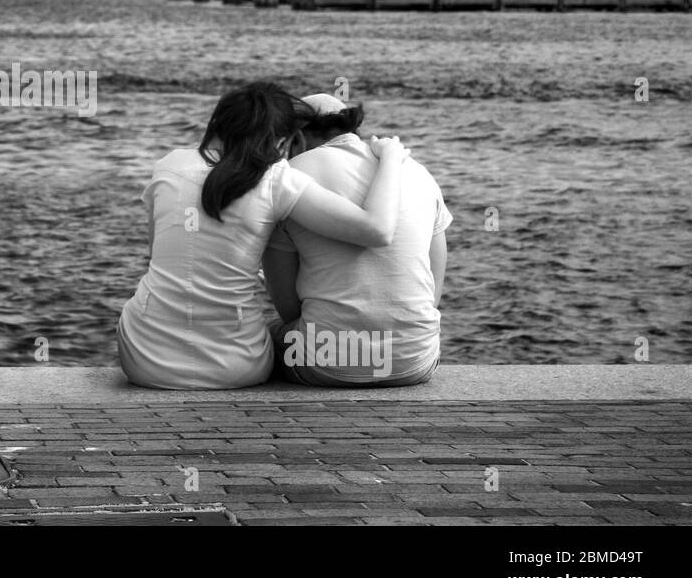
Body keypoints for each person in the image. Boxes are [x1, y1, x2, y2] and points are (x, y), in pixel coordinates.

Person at [117, 81, 411, 390]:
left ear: (217, 123)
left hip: (143, 359)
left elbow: (161, 254)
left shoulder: (168, 166)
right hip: (236, 366)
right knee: (283, 331)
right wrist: (390, 158)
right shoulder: (277, 180)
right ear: (283, 142)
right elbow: (377, 229)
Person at [263, 94, 450, 387]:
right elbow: (433, 293)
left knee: (265, 335)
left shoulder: (288, 179)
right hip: (416, 361)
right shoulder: (419, 173)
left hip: (327, 364)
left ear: (296, 137)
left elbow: (289, 309)